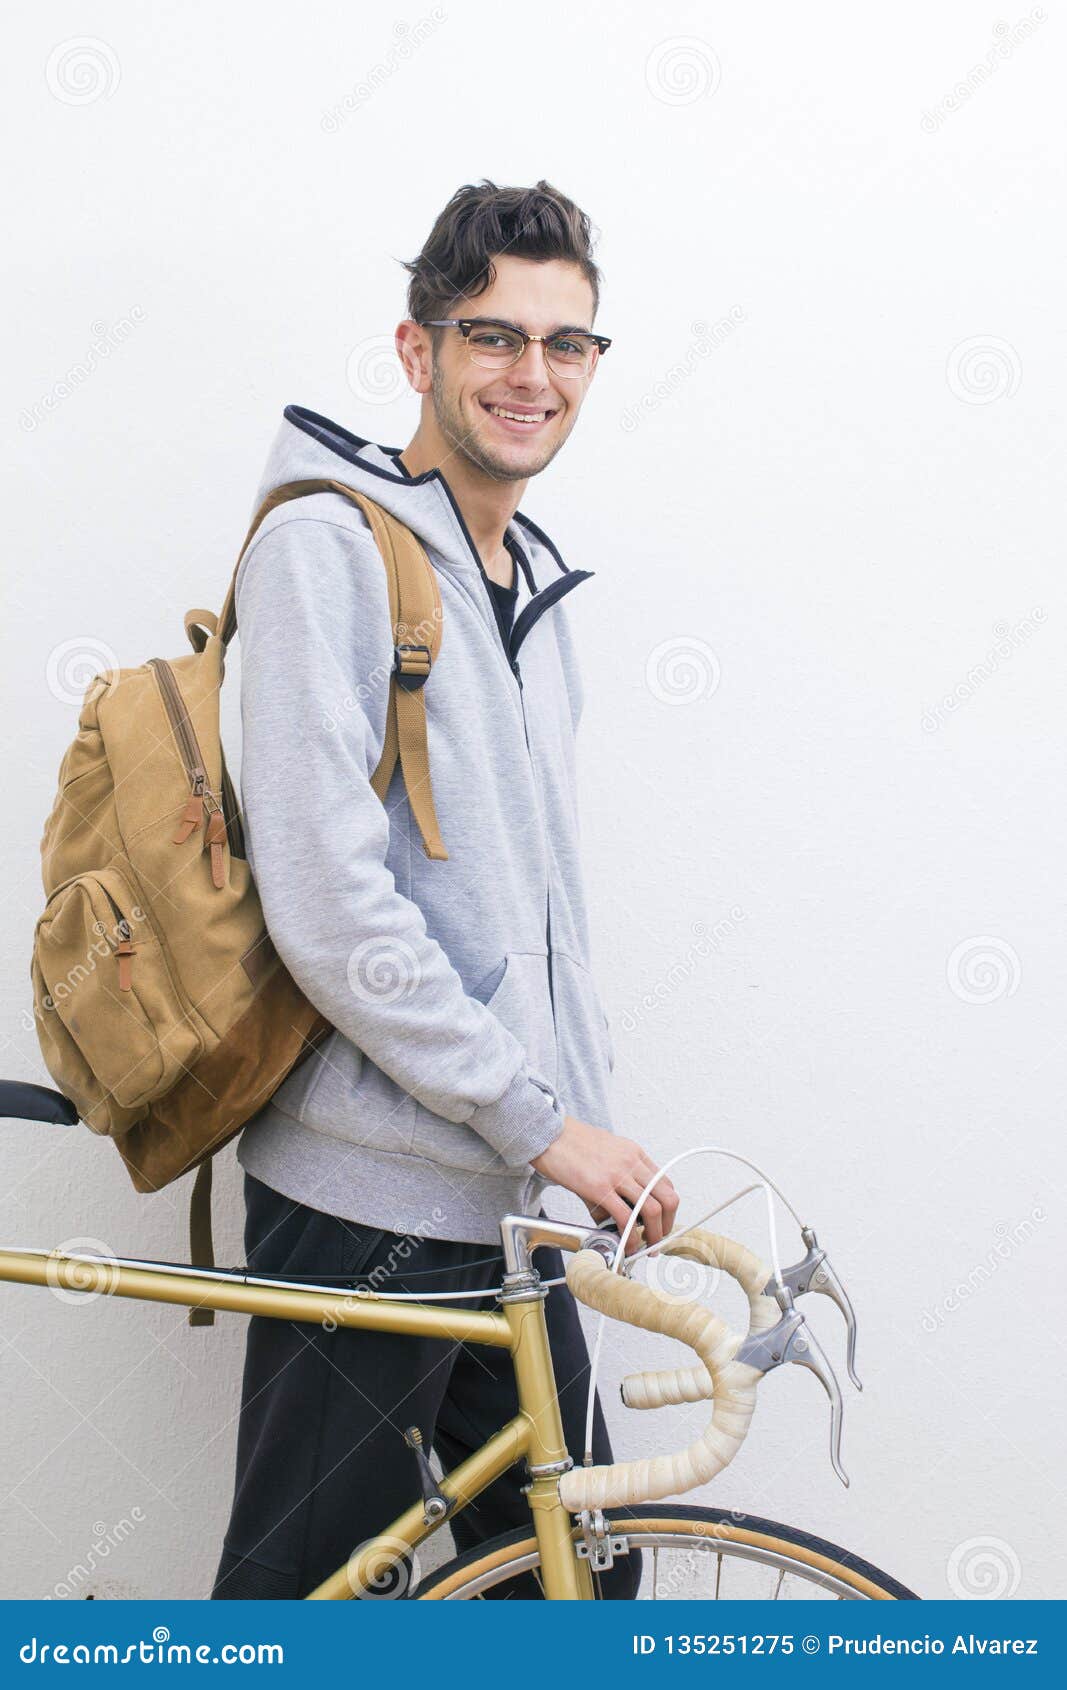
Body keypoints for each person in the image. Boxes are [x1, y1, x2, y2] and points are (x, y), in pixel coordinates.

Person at [211, 179, 678, 1600]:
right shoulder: (328, 553)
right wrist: (549, 1120)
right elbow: (334, 908)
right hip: (370, 1196)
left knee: (577, 1586)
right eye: (493, 337)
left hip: (516, 1194)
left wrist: (573, 1132)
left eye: (565, 343)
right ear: (418, 352)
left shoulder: (526, 577)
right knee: (301, 1601)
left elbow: (538, 914)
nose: (531, 375)